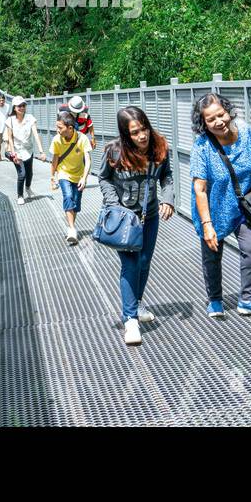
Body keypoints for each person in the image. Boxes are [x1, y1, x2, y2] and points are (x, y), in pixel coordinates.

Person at [189, 92, 251, 319]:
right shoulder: (202, 147)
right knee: (212, 254)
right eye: (211, 119)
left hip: (243, 205)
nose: (219, 122)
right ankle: (214, 300)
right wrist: (207, 224)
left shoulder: (245, 132)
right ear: (203, 123)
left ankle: (247, 299)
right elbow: (200, 189)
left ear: (228, 110)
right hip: (213, 209)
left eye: (221, 115)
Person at [98, 106, 174, 346]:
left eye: (144, 129)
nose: (142, 136)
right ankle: (130, 319)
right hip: (124, 219)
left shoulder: (159, 146)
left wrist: (168, 199)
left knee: (144, 261)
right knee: (130, 264)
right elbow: (103, 178)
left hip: (149, 215)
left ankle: (137, 303)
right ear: (125, 135)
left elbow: (166, 177)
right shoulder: (114, 151)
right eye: (135, 132)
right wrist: (114, 204)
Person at [49, 109, 93, 246]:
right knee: (68, 197)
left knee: (75, 203)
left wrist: (84, 178)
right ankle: (72, 229)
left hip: (79, 175)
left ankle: (70, 227)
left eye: (60, 127)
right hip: (64, 173)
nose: (57, 130)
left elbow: (88, 160)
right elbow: (55, 159)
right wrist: (52, 176)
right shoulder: (56, 140)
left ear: (69, 128)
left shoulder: (82, 139)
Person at [3, 96, 46, 204]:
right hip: (16, 150)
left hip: (28, 150)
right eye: (19, 106)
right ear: (14, 108)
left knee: (29, 173)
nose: (22, 108)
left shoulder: (30, 118)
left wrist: (41, 151)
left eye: (23, 105)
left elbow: (36, 135)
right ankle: (20, 196)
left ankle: (28, 188)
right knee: (22, 174)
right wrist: (13, 155)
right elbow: (10, 139)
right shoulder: (10, 121)